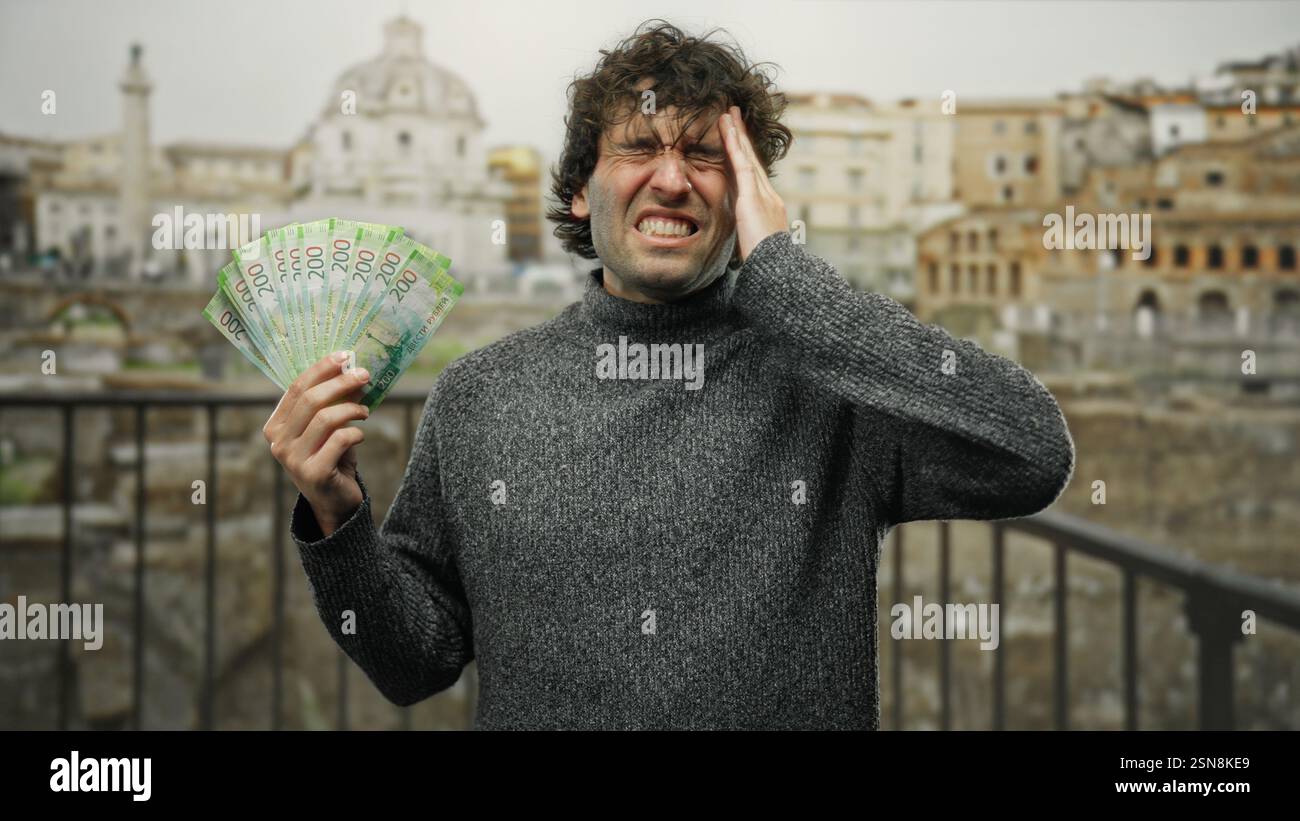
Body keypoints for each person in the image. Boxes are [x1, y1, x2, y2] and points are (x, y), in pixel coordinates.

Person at [263, 20, 1075, 730]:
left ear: (748, 194)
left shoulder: (832, 385)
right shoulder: (478, 396)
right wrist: (338, 516)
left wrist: (786, 277)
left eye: (706, 154)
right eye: (641, 146)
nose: (674, 177)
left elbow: (1032, 452)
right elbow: (415, 663)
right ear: (580, 189)